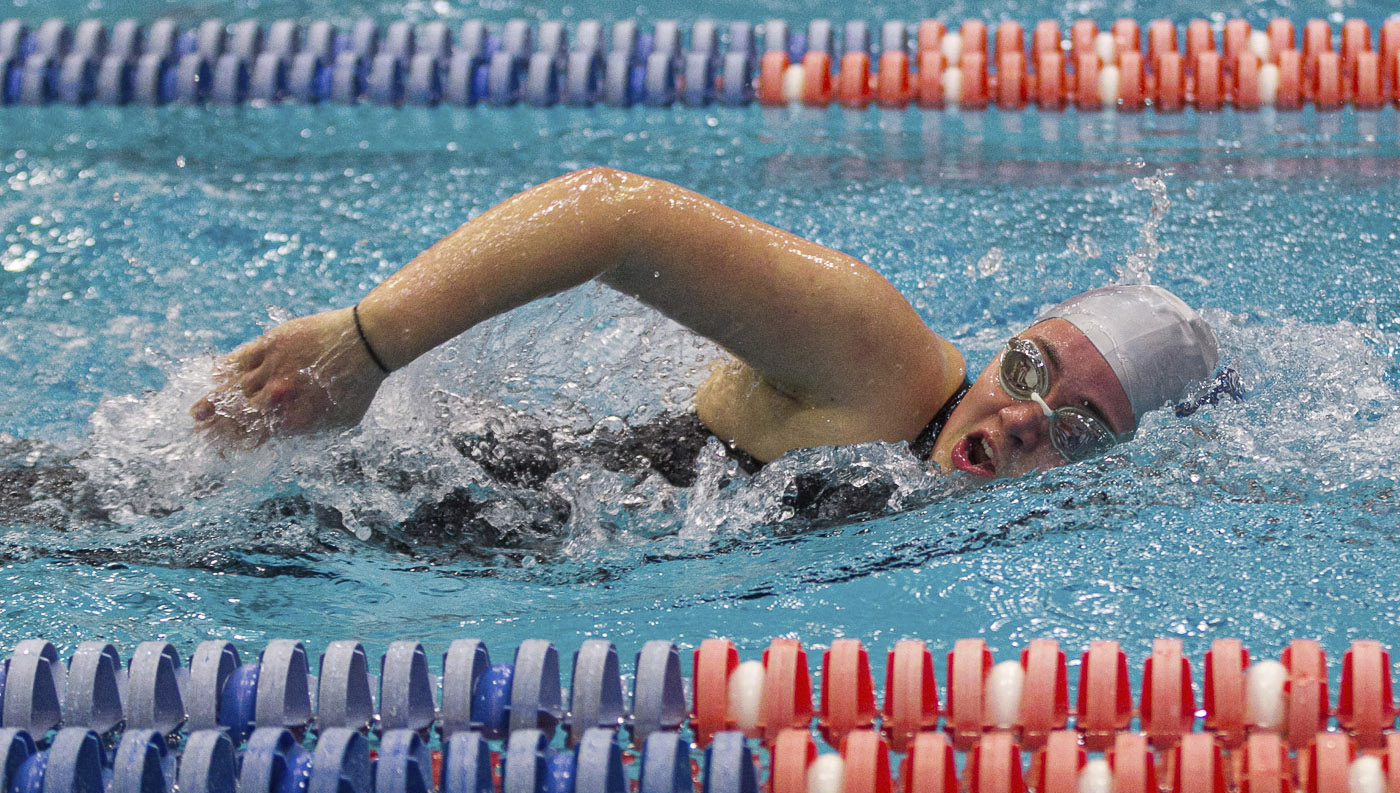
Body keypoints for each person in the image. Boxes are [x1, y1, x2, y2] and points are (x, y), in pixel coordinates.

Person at [191, 167, 1223, 487]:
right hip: (422, 502)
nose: (1029, 416)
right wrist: (365, 345)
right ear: (1009, 337)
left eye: (1080, 427)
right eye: (1032, 366)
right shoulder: (882, 361)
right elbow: (614, 213)